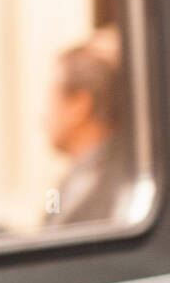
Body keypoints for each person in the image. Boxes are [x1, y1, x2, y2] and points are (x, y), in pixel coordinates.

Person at [42, 31, 134, 226]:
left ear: (79, 105)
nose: (43, 116)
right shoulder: (81, 174)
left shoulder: (102, 188)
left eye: (51, 98)